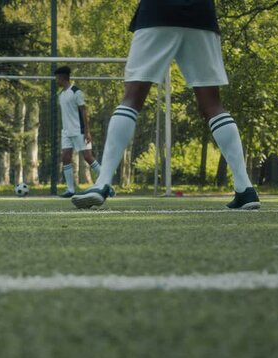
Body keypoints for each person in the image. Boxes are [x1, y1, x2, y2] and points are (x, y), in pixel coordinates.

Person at [71, 0, 260, 210]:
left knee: (132, 98)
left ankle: (102, 183)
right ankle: (246, 188)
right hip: (201, 14)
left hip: (157, 12)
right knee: (213, 104)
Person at [54, 66, 101, 198]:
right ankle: (70, 189)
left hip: (79, 131)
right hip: (66, 132)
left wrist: (87, 131)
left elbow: (84, 111)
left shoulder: (76, 92)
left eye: (57, 77)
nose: (56, 80)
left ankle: (106, 182)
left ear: (62, 77)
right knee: (65, 157)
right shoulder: (61, 94)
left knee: (87, 157)